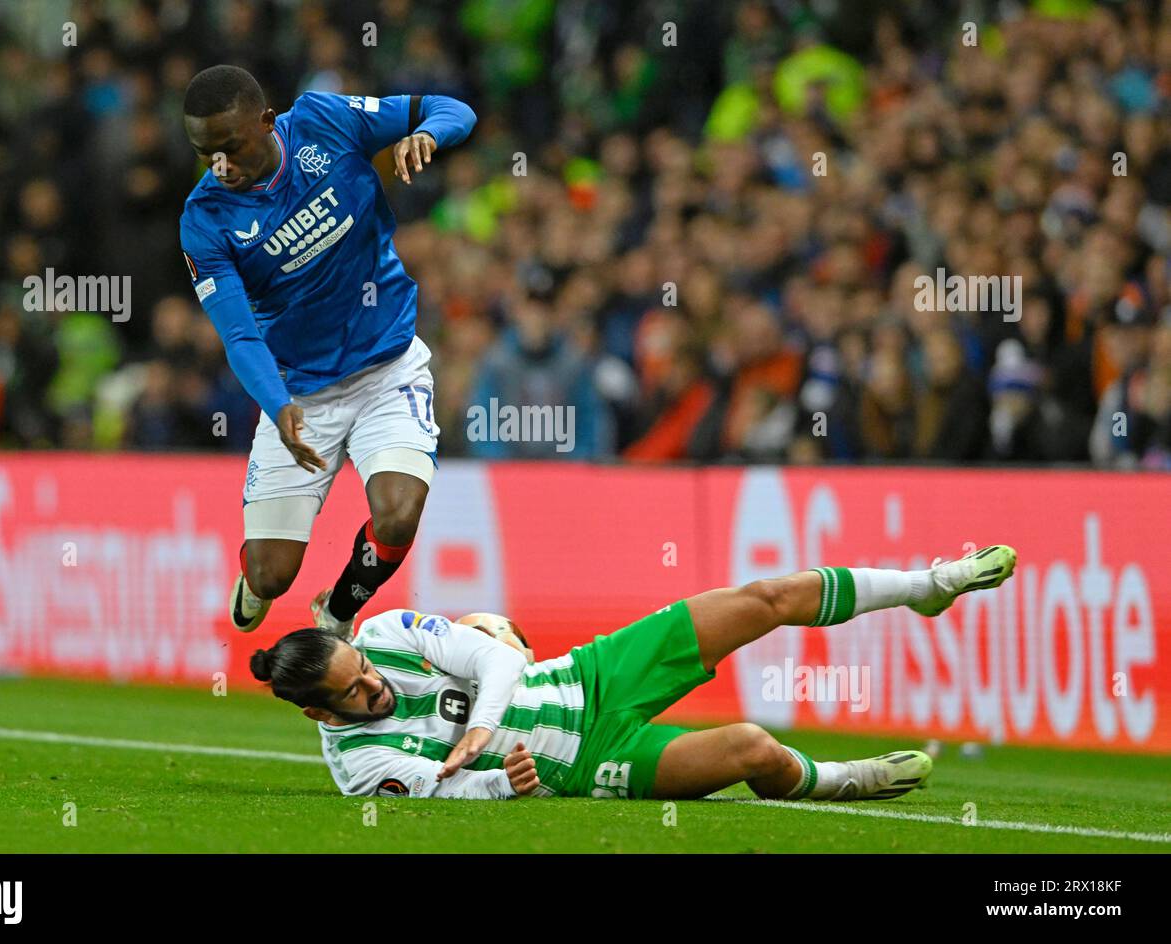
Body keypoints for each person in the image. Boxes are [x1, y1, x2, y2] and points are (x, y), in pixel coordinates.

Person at [250, 545, 1018, 799]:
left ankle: (928, 587)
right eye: (351, 693)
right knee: (752, 748)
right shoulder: (358, 765)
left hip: (589, 678)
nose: (372, 687)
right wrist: (498, 780)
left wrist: (483, 725)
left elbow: (491, 653)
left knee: (765, 596)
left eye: (361, 672)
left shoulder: (383, 634)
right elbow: (440, 791)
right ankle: (843, 781)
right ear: (319, 715)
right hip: (589, 760)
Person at [178, 65, 476, 635]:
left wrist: (427, 135)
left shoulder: (323, 121)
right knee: (271, 576)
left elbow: (452, 108)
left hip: (387, 370)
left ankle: (338, 611)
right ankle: (254, 575)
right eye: (205, 154)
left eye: (231, 147)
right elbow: (239, 334)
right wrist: (276, 403)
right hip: (297, 392)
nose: (221, 166)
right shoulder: (204, 219)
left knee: (398, 513)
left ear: (267, 121)